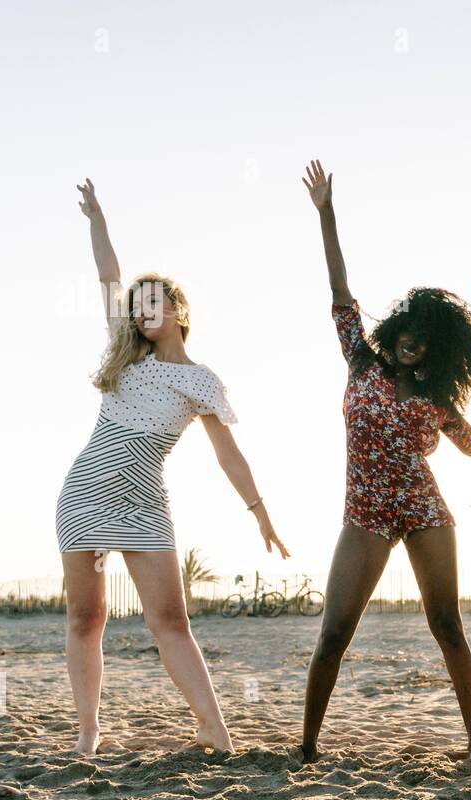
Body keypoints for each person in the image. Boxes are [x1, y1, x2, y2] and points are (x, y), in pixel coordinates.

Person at [58, 178, 288, 756]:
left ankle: (214, 728)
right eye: (138, 308)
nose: (142, 311)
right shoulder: (124, 356)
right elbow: (109, 276)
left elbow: (226, 453)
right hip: (85, 493)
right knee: (87, 616)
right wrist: (97, 218)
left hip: (144, 502)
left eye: (154, 302)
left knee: (170, 621)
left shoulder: (201, 381)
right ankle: (88, 731)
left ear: (179, 310)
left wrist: (258, 511)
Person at [300, 160, 471, 764]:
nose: (414, 341)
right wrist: (327, 214)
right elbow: (340, 290)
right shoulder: (361, 362)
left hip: (422, 507)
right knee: (335, 631)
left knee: (447, 626)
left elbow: (470, 441)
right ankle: (307, 749)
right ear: (393, 331)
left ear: (434, 348)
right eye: (408, 331)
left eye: (426, 339)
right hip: (364, 512)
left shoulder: (434, 395)